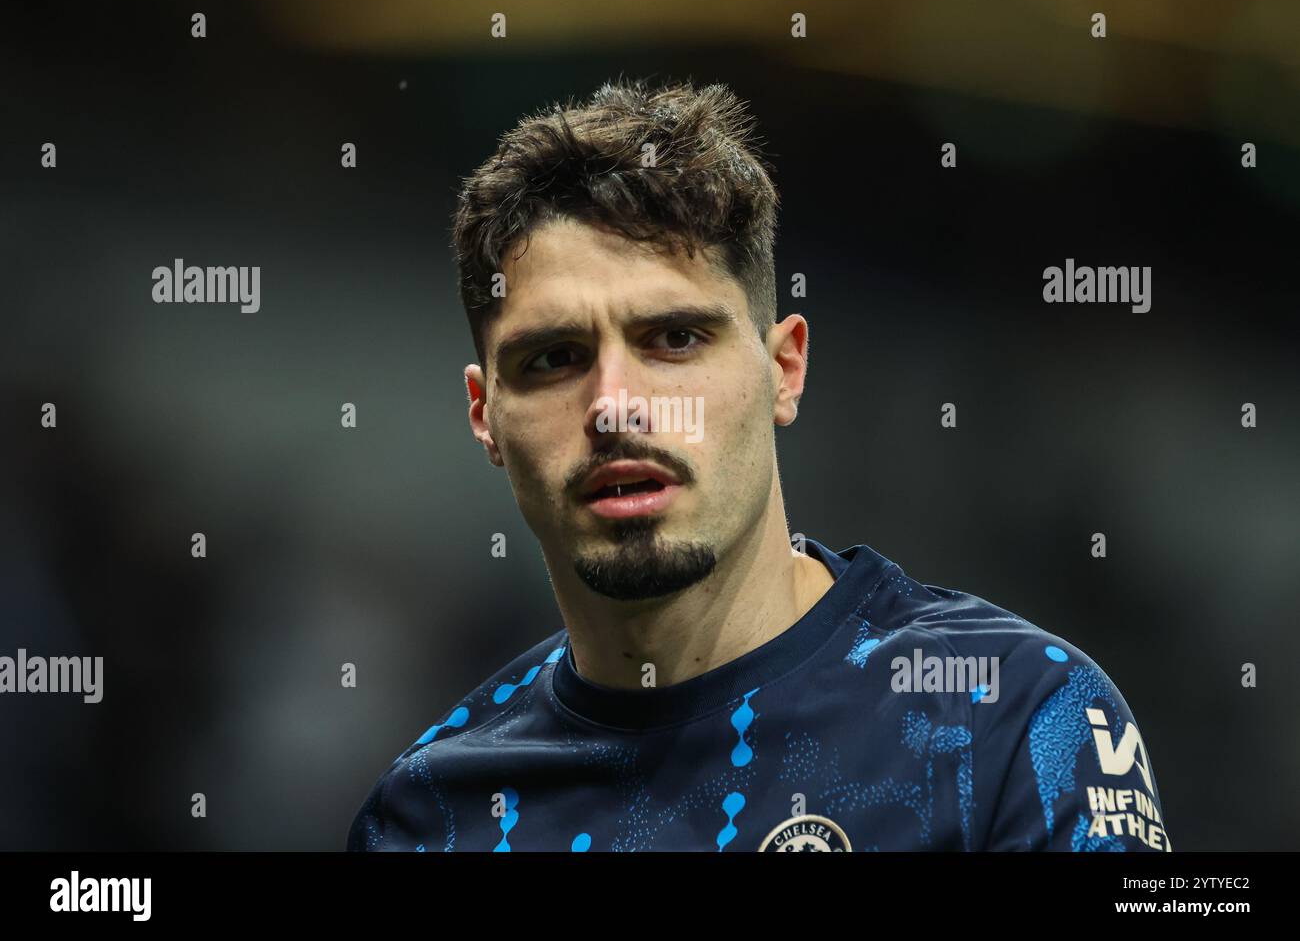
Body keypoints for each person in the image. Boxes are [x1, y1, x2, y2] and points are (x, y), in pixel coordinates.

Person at [347, 77, 1170, 852]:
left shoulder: (1012, 718)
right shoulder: (432, 819)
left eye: (674, 339)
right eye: (554, 358)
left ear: (784, 369)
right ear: (485, 415)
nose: (616, 406)